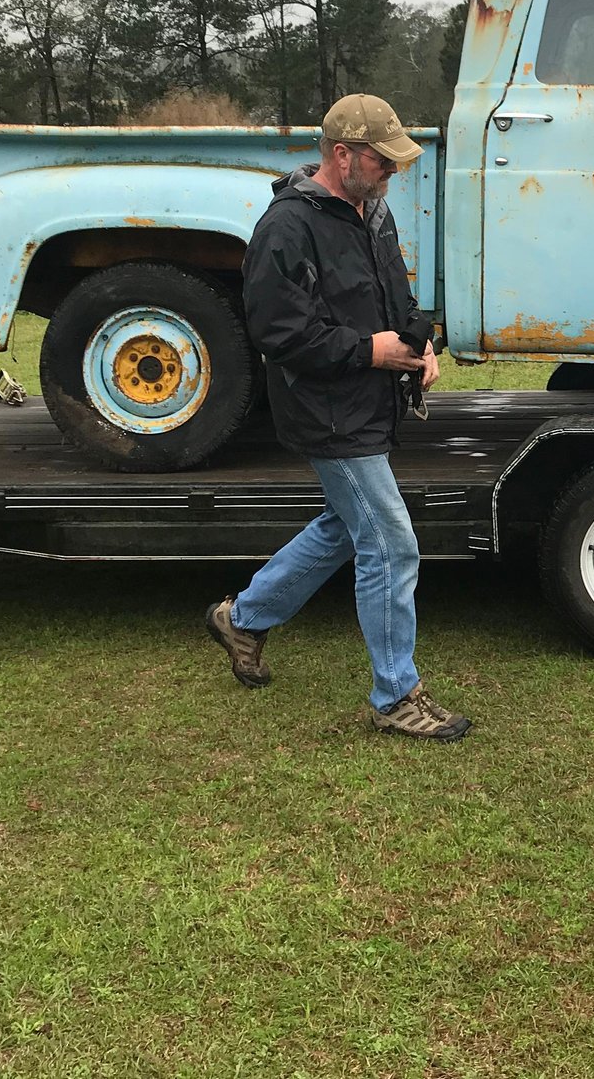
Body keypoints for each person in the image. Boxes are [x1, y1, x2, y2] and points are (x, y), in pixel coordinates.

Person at [204, 93, 472, 741]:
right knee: (390, 542)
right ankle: (395, 695)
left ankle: (244, 618)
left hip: (369, 399)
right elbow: (275, 331)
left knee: (344, 526)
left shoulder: (372, 213)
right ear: (342, 154)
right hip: (325, 408)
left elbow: (395, 293)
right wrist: (366, 351)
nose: (392, 172)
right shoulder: (287, 227)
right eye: (382, 160)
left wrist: (417, 344)